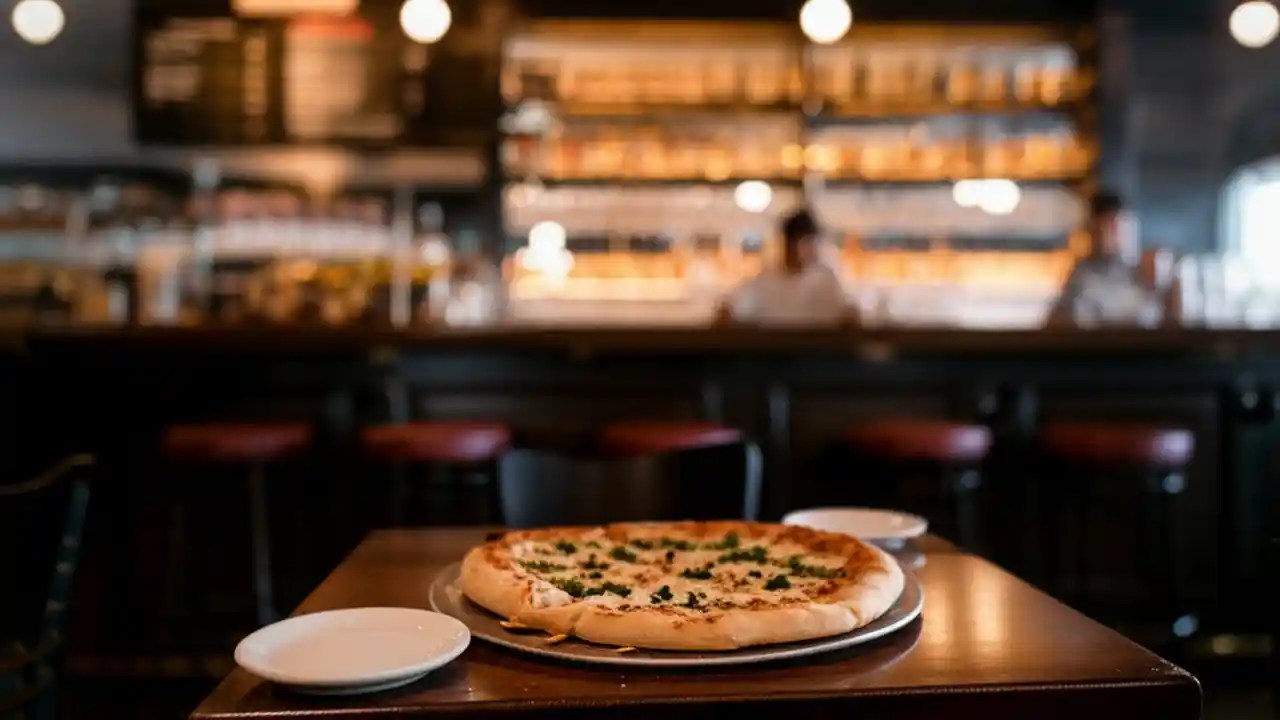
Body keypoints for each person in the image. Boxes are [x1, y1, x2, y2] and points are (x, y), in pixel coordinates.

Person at [1046, 193, 1163, 328]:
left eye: (1121, 228)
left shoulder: (1145, 272)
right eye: (1110, 228)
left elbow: (1155, 321)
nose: (1118, 236)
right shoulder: (1082, 276)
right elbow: (1056, 325)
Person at [721, 209, 854, 326]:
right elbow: (733, 308)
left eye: (809, 244)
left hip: (819, 352)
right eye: (797, 243)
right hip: (772, 351)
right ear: (786, 244)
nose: (802, 250)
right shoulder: (765, 279)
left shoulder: (826, 280)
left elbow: (847, 314)